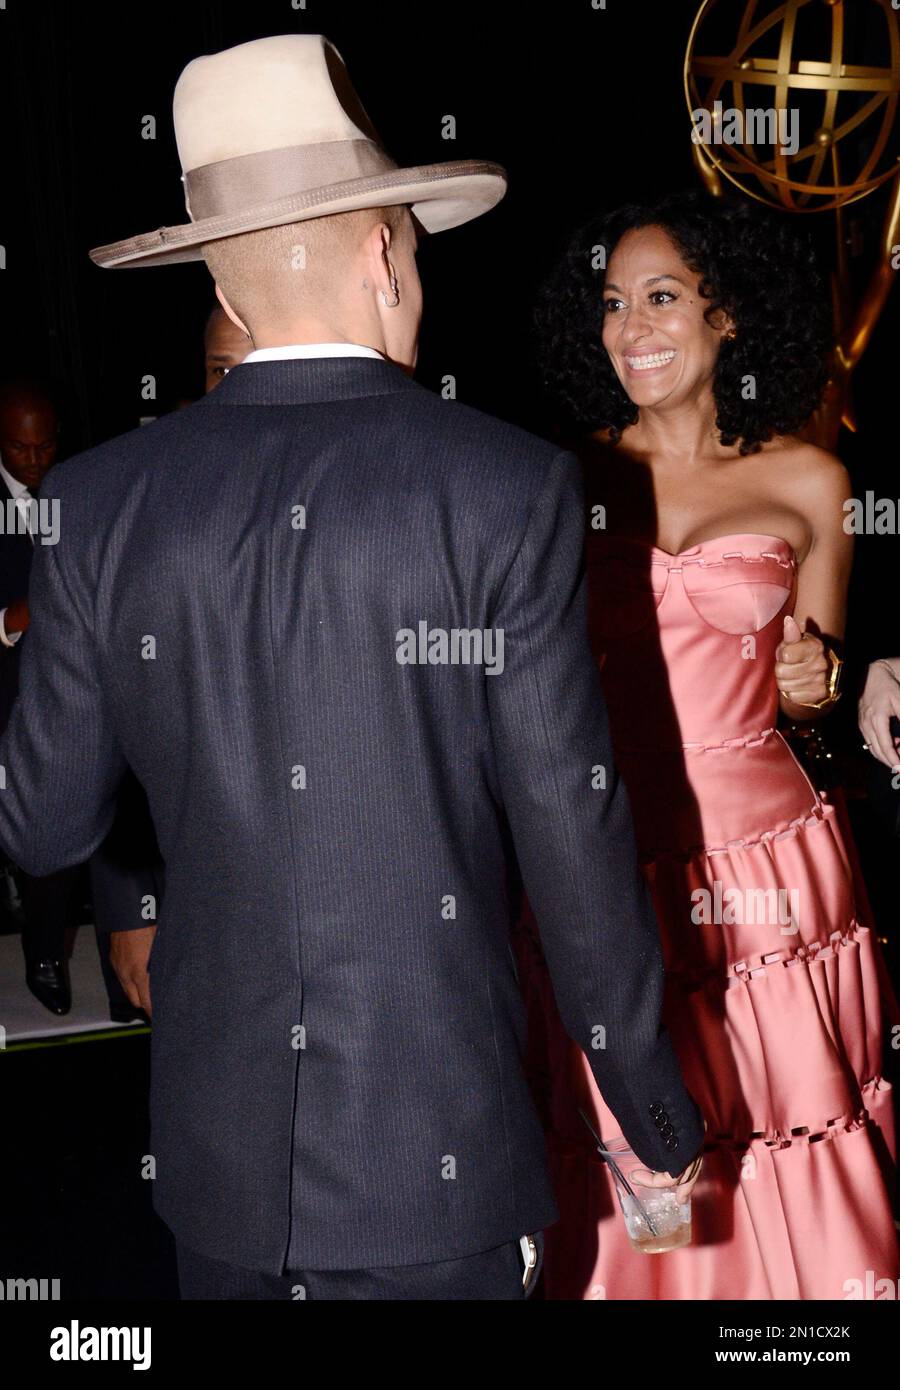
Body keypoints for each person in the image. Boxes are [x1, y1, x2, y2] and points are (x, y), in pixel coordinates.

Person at [0, 35, 703, 1302]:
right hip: (437, 1159)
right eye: (416, 249)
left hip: (216, 1169)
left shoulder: (97, 503)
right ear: (383, 253)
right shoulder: (505, 486)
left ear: (220, 276)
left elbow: (44, 818)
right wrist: (653, 1109)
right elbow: (571, 829)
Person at [528, 191, 899, 1299]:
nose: (632, 327)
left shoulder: (810, 483)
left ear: (726, 317)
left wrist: (820, 680)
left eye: (661, 298)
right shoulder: (562, 485)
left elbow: (814, 692)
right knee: (644, 1136)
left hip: (768, 857)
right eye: (611, 304)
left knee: (776, 1116)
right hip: (609, 846)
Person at [0, 378, 81, 1014]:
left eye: (45, 445)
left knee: (55, 826)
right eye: (22, 450)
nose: (36, 460)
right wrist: (14, 617)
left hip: (66, 698)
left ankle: (46, 957)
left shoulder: (78, 487)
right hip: (4, 694)